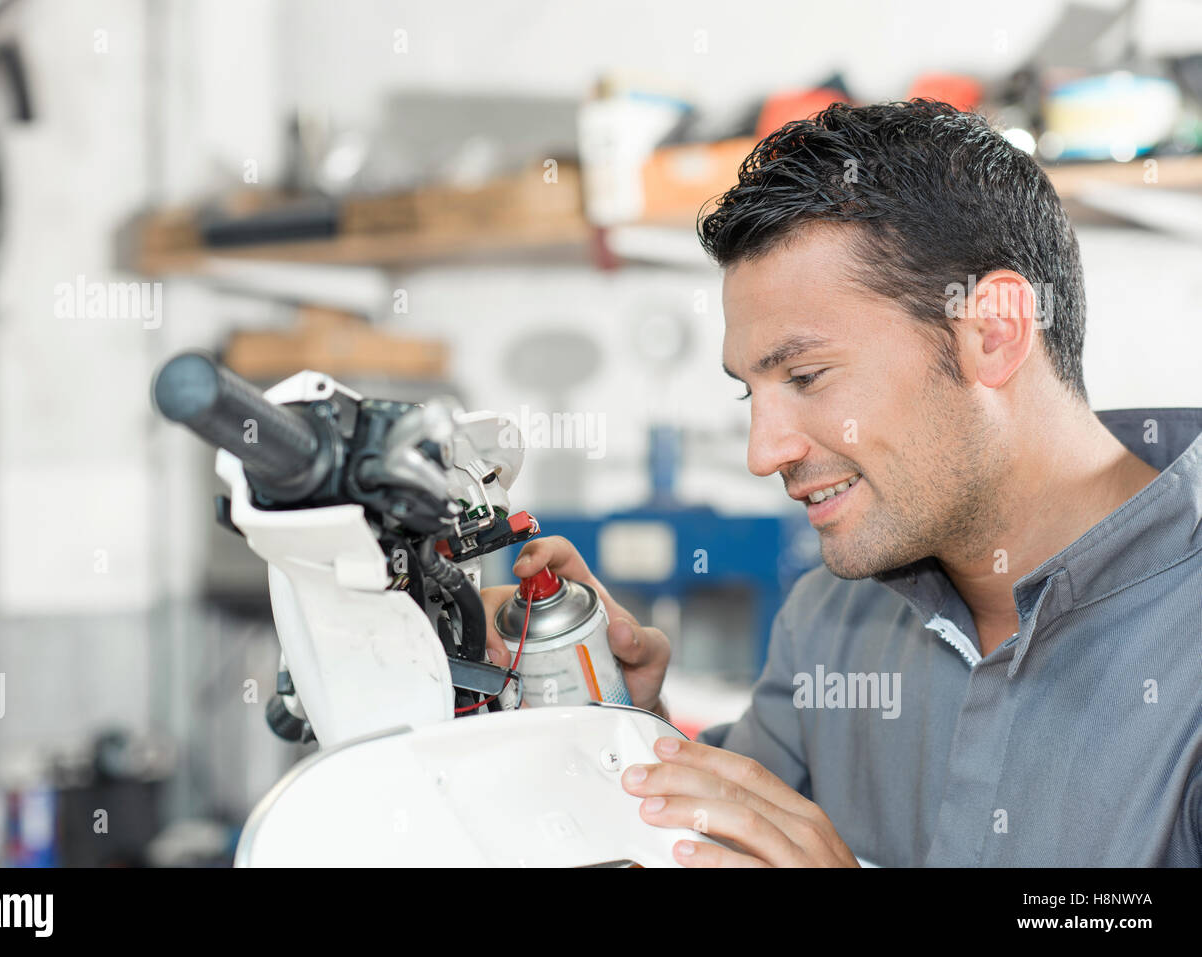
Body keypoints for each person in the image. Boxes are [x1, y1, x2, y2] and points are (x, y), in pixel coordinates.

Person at [481, 100, 1202, 867]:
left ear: (993, 332)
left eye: (806, 375)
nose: (765, 452)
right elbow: (727, 837)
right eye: (749, 392)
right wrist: (626, 719)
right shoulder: (830, 618)